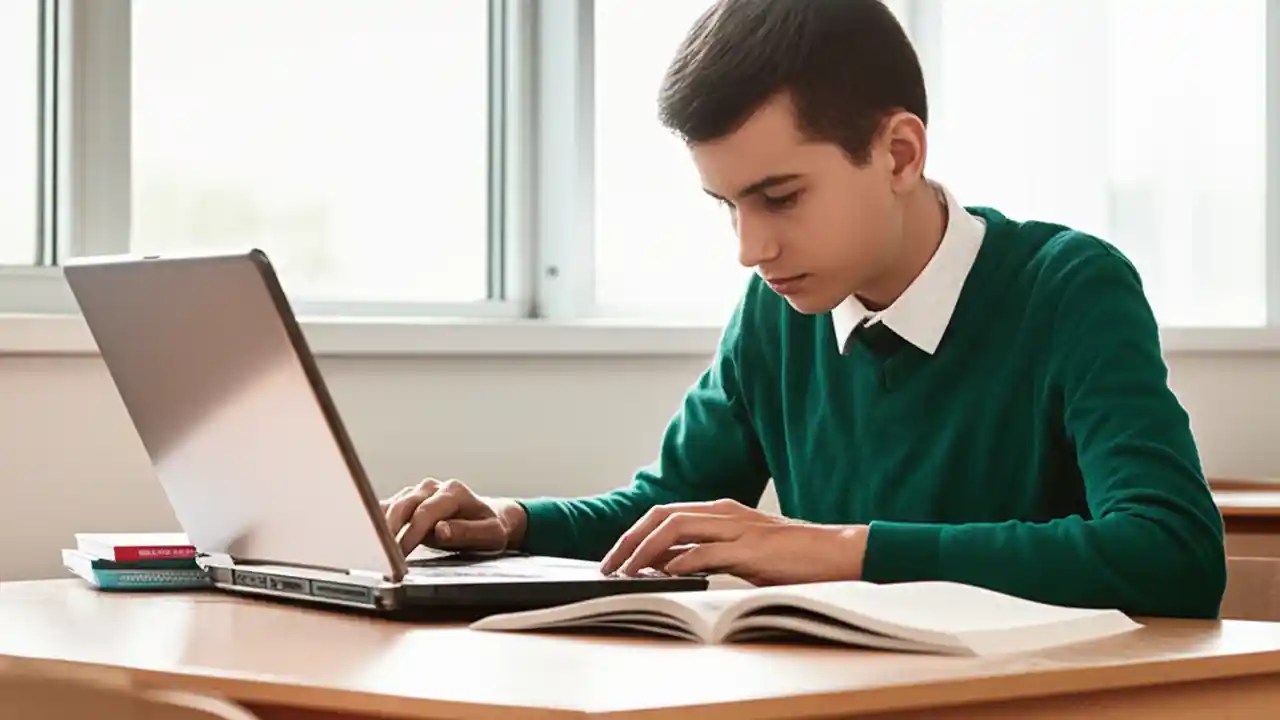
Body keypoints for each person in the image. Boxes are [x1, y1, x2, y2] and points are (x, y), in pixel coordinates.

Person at [381, 0, 1225, 618]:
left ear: (899, 153)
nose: (751, 249)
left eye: (780, 197)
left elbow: (1171, 553)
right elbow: (671, 505)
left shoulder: (1070, 287)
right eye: (728, 206)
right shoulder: (776, 310)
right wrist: (511, 524)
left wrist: (839, 550)